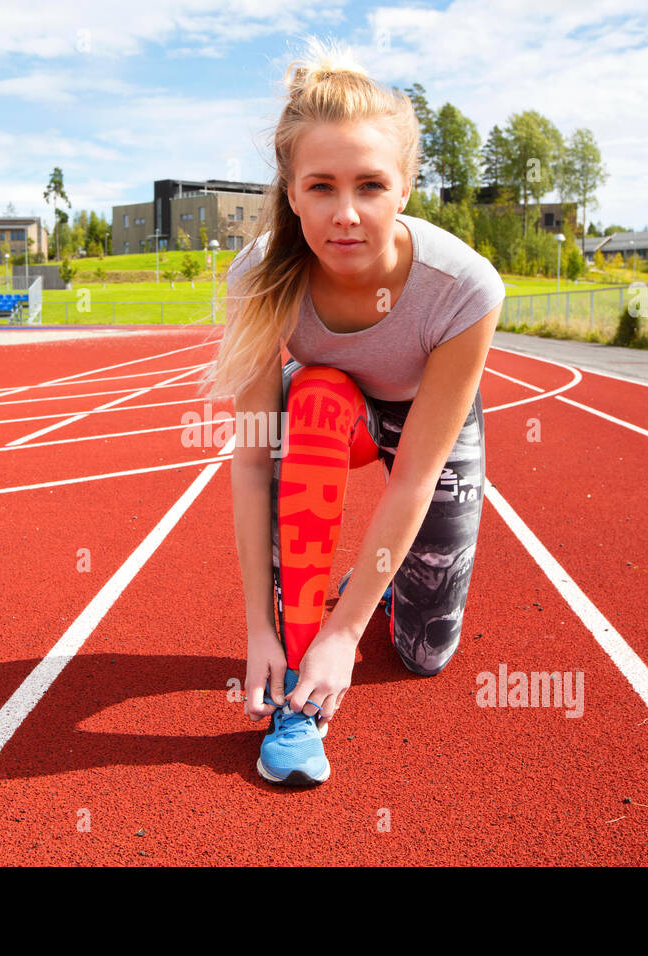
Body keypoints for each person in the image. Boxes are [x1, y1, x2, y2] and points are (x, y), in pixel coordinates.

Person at [198, 36, 505, 786]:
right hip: (330, 416)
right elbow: (249, 460)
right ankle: (293, 704)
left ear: (405, 188)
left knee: (423, 655)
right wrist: (263, 630)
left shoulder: (465, 287)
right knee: (315, 398)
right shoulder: (260, 278)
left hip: (423, 425)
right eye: (321, 187)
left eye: (369, 185)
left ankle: (376, 595)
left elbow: (413, 480)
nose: (345, 214)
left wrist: (349, 630)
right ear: (290, 191)